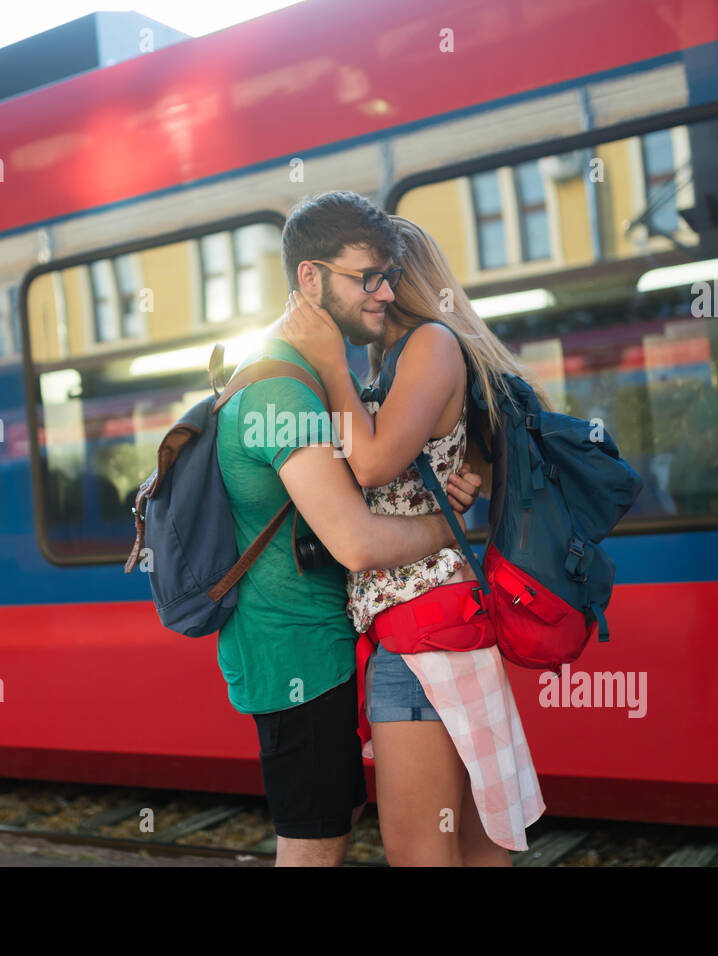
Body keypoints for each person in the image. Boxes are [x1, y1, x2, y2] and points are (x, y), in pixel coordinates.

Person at [215, 192, 483, 866]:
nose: (385, 292)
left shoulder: (315, 378)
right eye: (368, 277)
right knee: (316, 845)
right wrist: (452, 528)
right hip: (300, 657)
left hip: (326, 650)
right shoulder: (287, 391)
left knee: (354, 832)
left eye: (389, 276)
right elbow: (358, 541)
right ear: (311, 278)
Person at [279, 212, 553, 866]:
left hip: (421, 636)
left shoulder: (429, 344)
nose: (372, 290)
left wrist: (327, 363)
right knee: (472, 847)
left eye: (380, 274)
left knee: (419, 851)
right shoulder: (404, 361)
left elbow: (371, 464)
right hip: (431, 632)